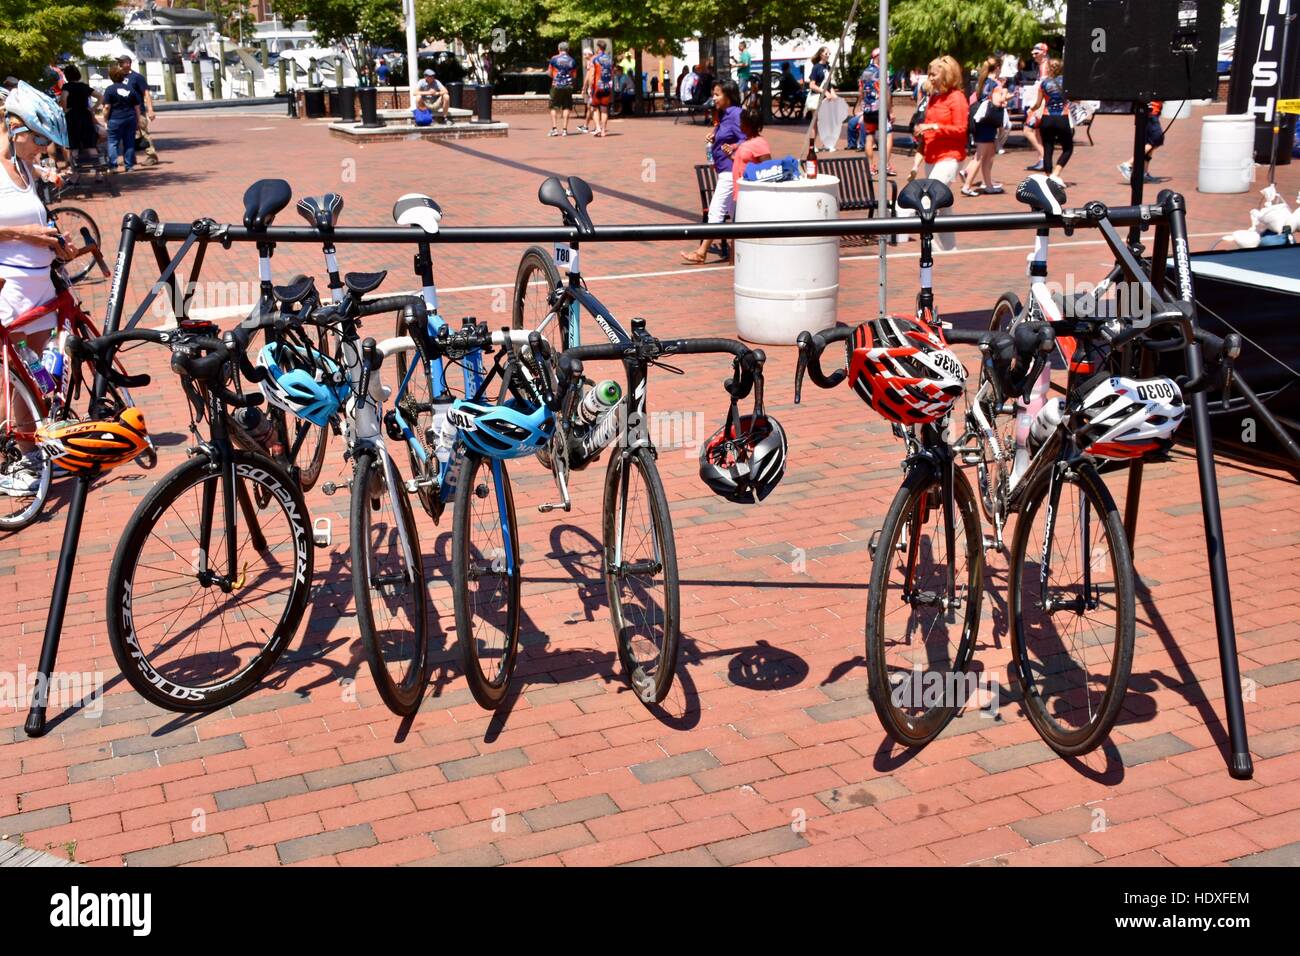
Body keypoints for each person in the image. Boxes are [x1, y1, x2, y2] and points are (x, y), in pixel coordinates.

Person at [0, 84, 71, 494]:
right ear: (14, 127)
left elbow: (35, 223)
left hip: (39, 286)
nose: (42, 148)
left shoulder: (25, 169)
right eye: (39, 138)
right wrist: (24, 233)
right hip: (8, 288)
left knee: (34, 376)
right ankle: (8, 461)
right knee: (9, 382)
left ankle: (29, 456)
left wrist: (53, 243)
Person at [682, 80, 744, 264]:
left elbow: (747, 139)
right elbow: (726, 132)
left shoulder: (736, 114)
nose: (714, 98)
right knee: (735, 214)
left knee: (716, 211)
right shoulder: (724, 115)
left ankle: (702, 252)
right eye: (714, 94)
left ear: (729, 96)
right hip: (724, 170)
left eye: (717, 94)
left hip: (731, 171)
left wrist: (732, 146)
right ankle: (736, 255)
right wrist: (714, 135)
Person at [910, 55, 967, 250]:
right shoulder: (934, 97)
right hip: (932, 157)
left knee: (929, 198)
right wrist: (917, 160)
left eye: (934, 74)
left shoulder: (957, 98)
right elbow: (927, 130)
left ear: (946, 75)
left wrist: (934, 126)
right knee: (943, 206)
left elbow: (960, 129)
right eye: (930, 74)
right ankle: (950, 248)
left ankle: (931, 246)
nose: (930, 78)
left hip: (950, 157)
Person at [959, 55, 1008, 195]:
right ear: (997, 68)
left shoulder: (983, 82)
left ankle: (988, 185)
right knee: (980, 156)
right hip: (988, 123)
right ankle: (967, 186)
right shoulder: (994, 84)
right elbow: (998, 102)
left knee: (988, 155)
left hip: (981, 121)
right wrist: (1005, 95)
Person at [1032, 58, 1072, 182]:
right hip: (1062, 117)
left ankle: (1048, 175)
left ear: (1049, 68)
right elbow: (1075, 99)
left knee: (1048, 148)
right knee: (1068, 148)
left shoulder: (1044, 84)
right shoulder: (1067, 82)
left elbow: (1038, 104)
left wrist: (1031, 110)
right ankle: (1056, 173)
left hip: (1047, 118)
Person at [116, 55, 158, 166]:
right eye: (119, 62)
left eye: (122, 62)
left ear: (129, 63)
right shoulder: (118, 77)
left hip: (137, 111)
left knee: (143, 133)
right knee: (126, 135)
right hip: (124, 111)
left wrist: (150, 110)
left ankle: (151, 156)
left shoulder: (137, 77)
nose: (120, 64)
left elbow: (146, 94)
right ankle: (130, 157)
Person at [103, 64, 141, 172]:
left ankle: (113, 166)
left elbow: (107, 107)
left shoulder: (110, 90)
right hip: (130, 118)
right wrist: (137, 121)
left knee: (113, 142)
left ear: (111, 77)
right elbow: (137, 107)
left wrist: (105, 119)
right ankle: (129, 166)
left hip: (115, 118)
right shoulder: (130, 89)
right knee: (129, 142)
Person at [729, 108, 771, 202]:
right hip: (741, 192)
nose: (739, 125)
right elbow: (744, 161)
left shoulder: (759, 143)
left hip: (750, 194)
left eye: (741, 122)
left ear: (748, 125)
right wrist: (731, 156)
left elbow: (768, 168)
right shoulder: (746, 141)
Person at [58, 64, 101, 156]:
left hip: (73, 116)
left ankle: (75, 166)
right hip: (86, 114)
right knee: (90, 144)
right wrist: (93, 108)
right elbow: (100, 96)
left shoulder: (67, 86)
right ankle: (97, 165)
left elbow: (63, 98)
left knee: (74, 145)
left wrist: (65, 109)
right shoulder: (84, 86)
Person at [1119, 100, 1164, 183]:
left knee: (1150, 143)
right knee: (1156, 139)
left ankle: (1144, 173)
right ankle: (1128, 164)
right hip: (1150, 113)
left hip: (1149, 113)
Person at [1021, 43, 1049, 170]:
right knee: (1038, 132)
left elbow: (1043, 87)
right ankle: (1042, 159)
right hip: (1041, 102)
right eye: (1032, 53)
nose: (1033, 56)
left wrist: (1033, 107)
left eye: (1036, 53)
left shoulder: (1045, 66)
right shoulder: (1041, 65)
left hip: (1041, 103)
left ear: (1044, 52)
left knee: (1027, 130)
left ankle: (1044, 157)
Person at [547, 41, 578, 136]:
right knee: (567, 107)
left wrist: (555, 77)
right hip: (568, 86)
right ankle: (564, 130)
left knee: (553, 107)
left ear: (559, 49)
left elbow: (549, 73)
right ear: (568, 50)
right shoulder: (572, 60)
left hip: (556, 85)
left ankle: (554, 129)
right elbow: (574, 76)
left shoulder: (554, 59)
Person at [588, 40, 614, 137]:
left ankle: (598, 128)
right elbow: (612, 75)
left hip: (597, 86)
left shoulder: (595, 59)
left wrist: (590, 87)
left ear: (598, 48)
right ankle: (603, 131)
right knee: (604, 109)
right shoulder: (610, 59)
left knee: (594, 108)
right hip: (607, 86)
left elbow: (592, 74)